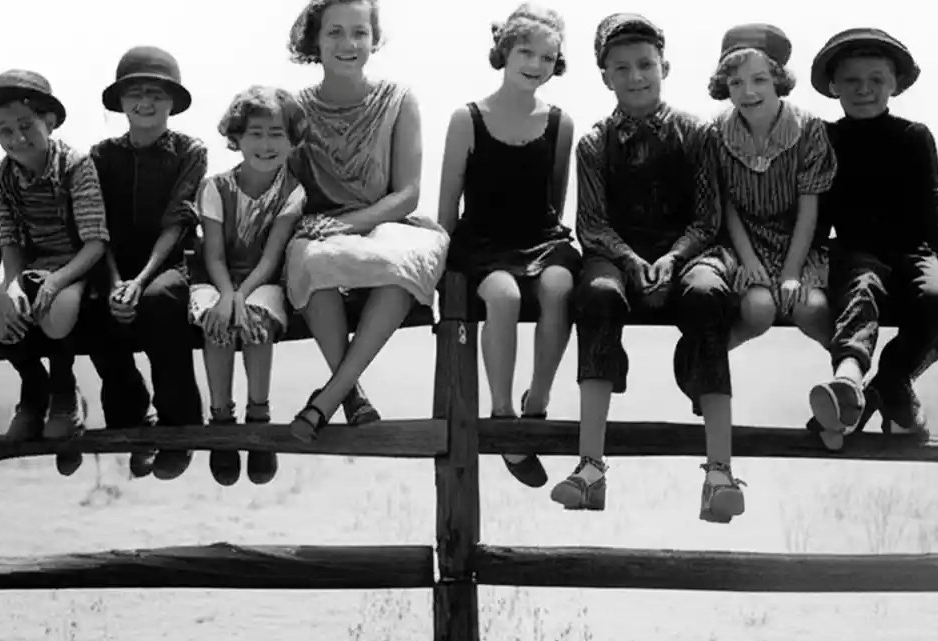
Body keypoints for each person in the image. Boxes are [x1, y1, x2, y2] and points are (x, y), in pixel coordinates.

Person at [550, 14, 741, 523]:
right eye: (622, 68)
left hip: (689, 253)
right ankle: (589, 468)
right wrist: (631, 260)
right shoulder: (593, 145)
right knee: (598, 298)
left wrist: (674, 258)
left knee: (706, 297)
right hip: (617, 255)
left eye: (645, 65)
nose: (636, 77)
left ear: (665, 67)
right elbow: (590, 224)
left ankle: (719, 473)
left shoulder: (698, 134)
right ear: (605, 76)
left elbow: (708, 218)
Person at [283, 0, 450, 442]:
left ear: (374, 40)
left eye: (360, 32)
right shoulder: (295, 111)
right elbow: (289, 190)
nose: (348, 43)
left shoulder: (399, 99)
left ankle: (327, 398)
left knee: (403, 264)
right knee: (310, 261)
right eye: (335, 32)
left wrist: (351, 224)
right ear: (314, 40)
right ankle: (351, 394)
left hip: (387, 221)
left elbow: (407, 194)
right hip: (322, 227)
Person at [806, 28, 938, 449]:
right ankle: (849, 379)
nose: (864, 89)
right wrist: (809, 256)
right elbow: (818, 207)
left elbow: (935, 199)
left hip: (912, 250)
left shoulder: (913, 136)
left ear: (894, 85)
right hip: (855, 250)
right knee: (859, 294)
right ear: (834, 86)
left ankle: (892, 380)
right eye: (851, 80)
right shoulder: (825, 138)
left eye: (876, 80)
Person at [437, 3, 579, 489]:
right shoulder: (467, 117)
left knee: (560, 286)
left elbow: (554, 202)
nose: (535, 64)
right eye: (526, 51)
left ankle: (535, 405)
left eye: (546, 56)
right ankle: (503, 423)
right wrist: (439, 267)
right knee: (504, 297)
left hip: (540, 239)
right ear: (504, 50)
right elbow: (446, 205)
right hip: (481, 242)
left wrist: (549, 245)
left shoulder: (561, 123)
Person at [0, 70, 110, 477]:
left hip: (78, 262)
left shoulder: (75, 165)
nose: (17, 138)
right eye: (4, 131)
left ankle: (65, 392)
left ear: (48, 122)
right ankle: (34, 394)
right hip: (34, 266)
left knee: (58, 312)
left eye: (26, 126)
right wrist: (11, 286)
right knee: (3, 316)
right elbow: (10, 241)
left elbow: (95, 242)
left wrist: (57, 280)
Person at [89, 46, 206, 479]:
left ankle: (181, 429)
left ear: (172, 101)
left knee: (159, 302)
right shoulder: (100, 157)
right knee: (96, 309)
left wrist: (139, 281)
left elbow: (177, 221)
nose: (145, 102)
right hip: (113, 261)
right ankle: (136, 420)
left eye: (156, 93)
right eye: (135, 92)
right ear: (120, 102)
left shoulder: (190, 151)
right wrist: (118, 281)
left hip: (170, 262)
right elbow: (94, 226)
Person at [191, 86, 307, 485]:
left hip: (261, 278)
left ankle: (259, 418)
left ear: (292, 140)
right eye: (255, 133)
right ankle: (221, 420)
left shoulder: (292, 191)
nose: (266, 143)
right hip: (217, 277)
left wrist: (242, 296)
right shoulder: (215, 187)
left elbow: (271, 257)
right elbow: (214, 255)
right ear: (236, 137)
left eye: (277, 133)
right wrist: (227, 296)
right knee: (216, 321)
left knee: (257, 320)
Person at [700, 24, 838, 356]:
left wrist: (792, 272)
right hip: (744, 243)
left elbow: (809, 208)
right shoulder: (717, 133)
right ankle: (704, 365)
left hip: (797, 244)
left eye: (759, 80)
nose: (748, 92)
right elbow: (727, 206)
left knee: (811, 307)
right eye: (736, 83)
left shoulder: (808, 130)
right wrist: (748, 261)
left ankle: (849, 380)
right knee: (758, 308)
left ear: (777, 79)